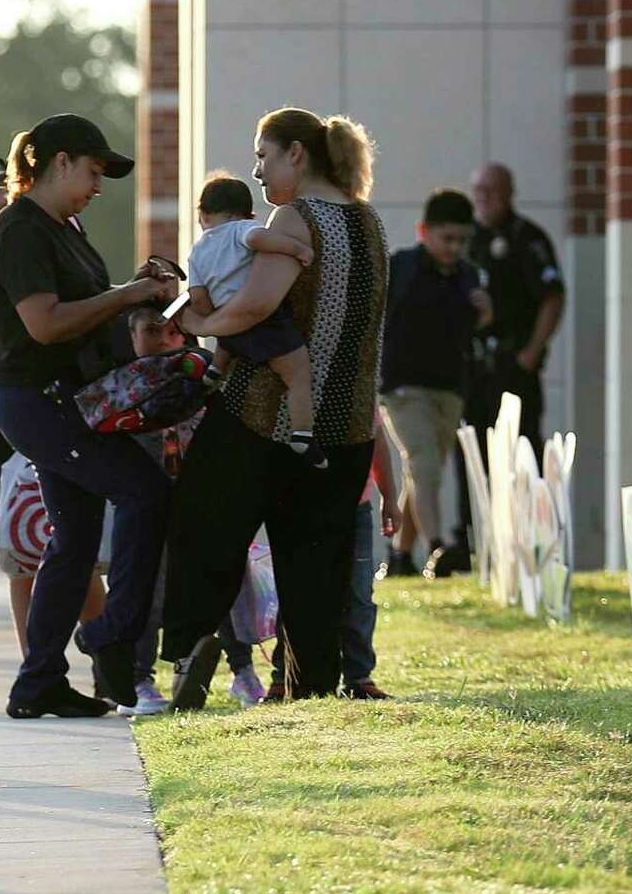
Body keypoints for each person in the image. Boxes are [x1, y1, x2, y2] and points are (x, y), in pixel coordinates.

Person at [164, 106, 388, 709]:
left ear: (296, 155)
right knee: (317, 562)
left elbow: (256, 305)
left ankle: (191, 650)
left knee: (206, 529)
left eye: (264, 155)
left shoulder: (293, 217)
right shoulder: (369, 222)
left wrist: (197, 322)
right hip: (344, 427)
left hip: (262, 415)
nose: (257, 171)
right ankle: (309, 682)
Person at [0, 114, 174, 718]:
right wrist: (126, 296)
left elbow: (84, 309)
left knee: (75, 540)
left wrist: (136, 289)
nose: (99, 184)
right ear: (58, 162)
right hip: (41, 403)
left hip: (68, 400)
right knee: (146, 493)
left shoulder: (62, 226)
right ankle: (111, 632)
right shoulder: (20, 230)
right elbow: (44, 323)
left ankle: (38, 682)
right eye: (93, 171)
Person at [120, 301, 264, 715]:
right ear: (131, 337)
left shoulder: (205, 375)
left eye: (169, 330)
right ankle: (139, 679)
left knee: (219, 584)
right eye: (149, 331)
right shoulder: (128, 384)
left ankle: (243, 672)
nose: (162, 340)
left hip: (201, 496)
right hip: (149, 500)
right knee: (148, 589)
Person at [451, 161, 563, 570]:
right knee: (471, 457)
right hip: (473, 371)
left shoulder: (526, 238)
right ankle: (476, 547)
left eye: (492, 191)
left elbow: (553, 297)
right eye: (478, 191)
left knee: (524, 454)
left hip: (514, 368)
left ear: (509, 193)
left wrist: (532, 352)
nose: (484, 199)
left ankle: (531, 546)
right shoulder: (467, 239)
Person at [380, 188, 490, 579]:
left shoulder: (468, 276)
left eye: (462, 240)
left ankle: (400, 557)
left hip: (449, 388)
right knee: (424, 465)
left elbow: (472, 328)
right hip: (404, 388)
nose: (454, 248)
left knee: (423, 473)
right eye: (447, 239)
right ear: (424, 231)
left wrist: (484, 313)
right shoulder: (403, 267)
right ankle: (438, 548)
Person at [183, 172, 320, 465]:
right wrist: (298, 249)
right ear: (248, 213)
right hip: (263, 324)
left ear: (203, 214)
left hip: (229, 330)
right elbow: (259, 238)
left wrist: (210, 316)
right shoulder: (242, 229)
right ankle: (302, 436)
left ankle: (214, 372)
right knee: (297, 375)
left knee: (227, 336)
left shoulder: (196, 251)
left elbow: (198, 296)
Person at [268, 421, 402, 701]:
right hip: (297, 498)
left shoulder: (359, 387)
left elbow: (376, 438)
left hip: (355, 504)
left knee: (358, 593)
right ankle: (284, 677)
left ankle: (359, 676)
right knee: (296, 590)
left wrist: (389, 497)